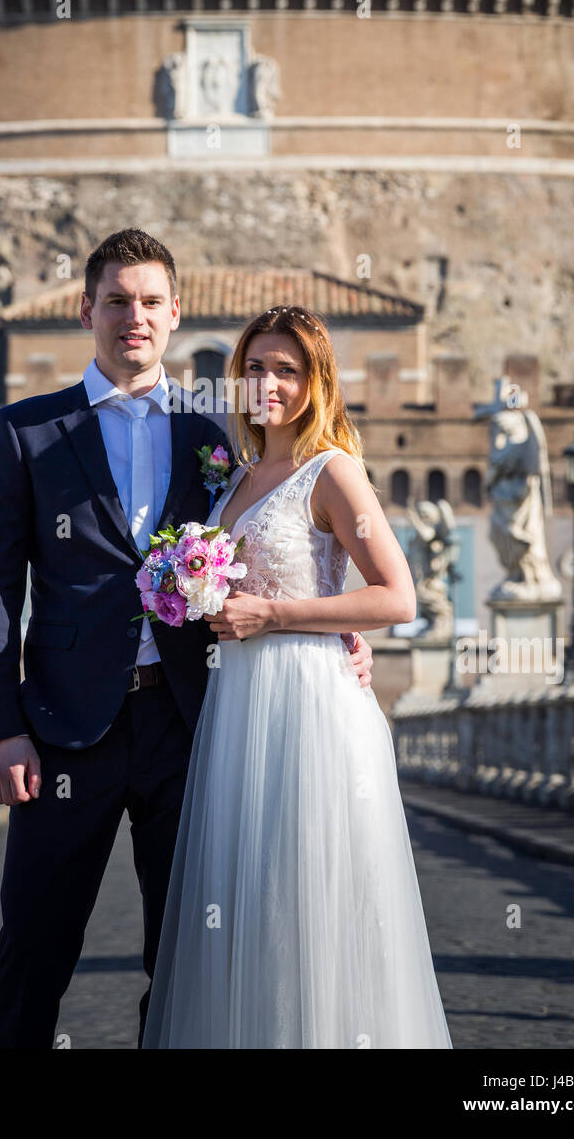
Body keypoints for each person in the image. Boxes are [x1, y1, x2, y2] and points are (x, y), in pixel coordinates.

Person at [0, 227, 374, 1048]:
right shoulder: (28, 429)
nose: (134, 318)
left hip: (192, 726)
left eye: (151, 302)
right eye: (117, 301)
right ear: (88, 311)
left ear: (176, 314)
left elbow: (270, 548)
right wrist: (2, 727)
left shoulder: (217, 437)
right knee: (35, 949)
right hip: (62, 732)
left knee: (188, 955)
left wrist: (339, 627)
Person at [142, 304, 453, 1049]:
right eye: (254, 368)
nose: (268, 383)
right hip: (240, 708)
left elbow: (397, 595)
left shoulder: (333, 471)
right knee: (247, 905)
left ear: (317, 382)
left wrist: (277, 617)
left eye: (287, 369)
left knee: (306, 898)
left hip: (309, 707)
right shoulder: (235, 477)